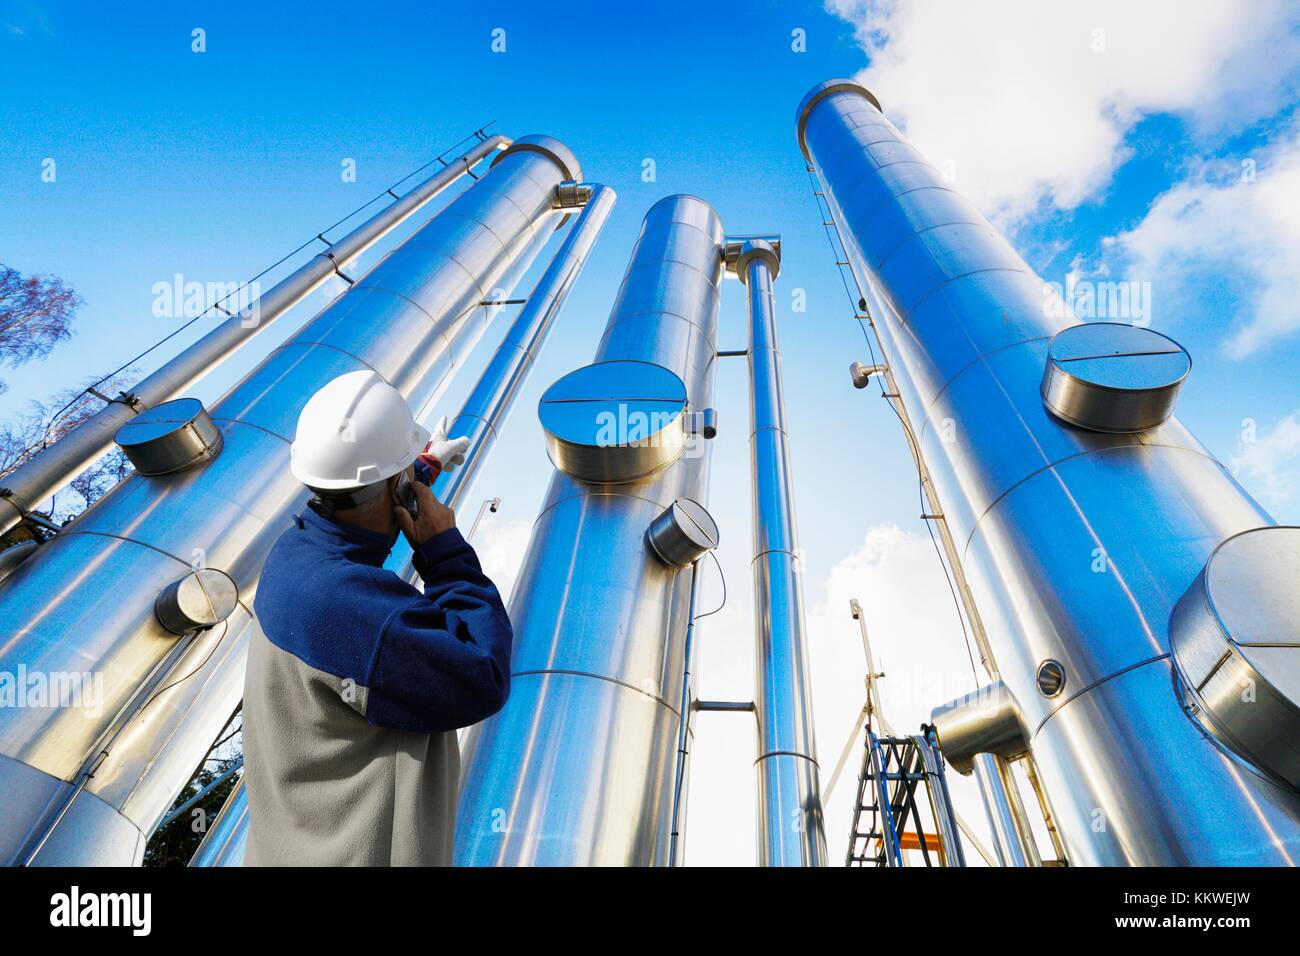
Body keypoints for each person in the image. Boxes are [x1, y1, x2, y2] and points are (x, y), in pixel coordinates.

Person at [241, 369, 513, 866]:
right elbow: (484, 673)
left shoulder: (294, 554)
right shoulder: (363, 614)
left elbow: (359, 494)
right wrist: (444, 554)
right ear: (394, 490)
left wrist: (421, 467)